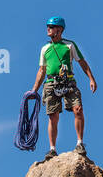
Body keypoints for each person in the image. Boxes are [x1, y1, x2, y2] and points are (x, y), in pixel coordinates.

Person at [31, 16, 97, 160]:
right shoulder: (45, 48)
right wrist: (34, 90)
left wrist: (91, 78)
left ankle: (80, 143)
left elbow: (82, 62)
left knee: (78, 109)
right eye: (48, 26)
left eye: (51, 26)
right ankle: (52, 149)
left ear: (59, 30)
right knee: (53, 116)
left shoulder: (69, 45)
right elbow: (41, 70)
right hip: (51, 82)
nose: (48, 29)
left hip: (68, 81)